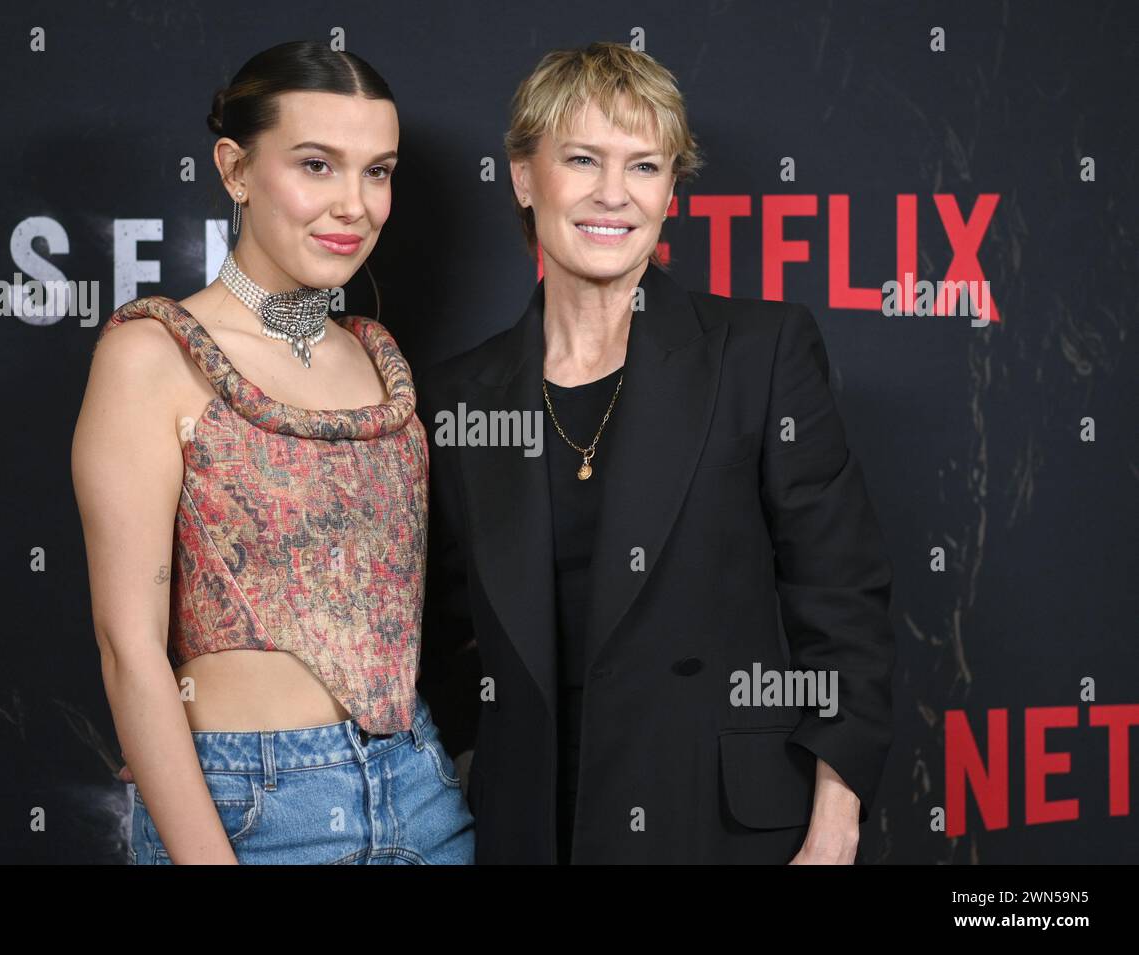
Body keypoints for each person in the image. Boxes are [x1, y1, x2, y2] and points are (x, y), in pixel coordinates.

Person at [416, 42, 895, 864]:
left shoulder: (760, 352)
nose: (614, 193)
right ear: (525, 178)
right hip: (531, 830)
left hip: (724, 830)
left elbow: (842, 603)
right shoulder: (462, 395)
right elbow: (439, 635)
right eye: (582, 159)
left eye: (644, 166)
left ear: (672, 192)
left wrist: (835, 824)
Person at [71, 40, 473, 864]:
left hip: (422, 794)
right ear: (235, 169)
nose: (354, 205)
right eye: (317, 165)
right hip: (253, 808)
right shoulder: (153, 355)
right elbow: (128, 648)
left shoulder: (375, 355)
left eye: (378, 170)